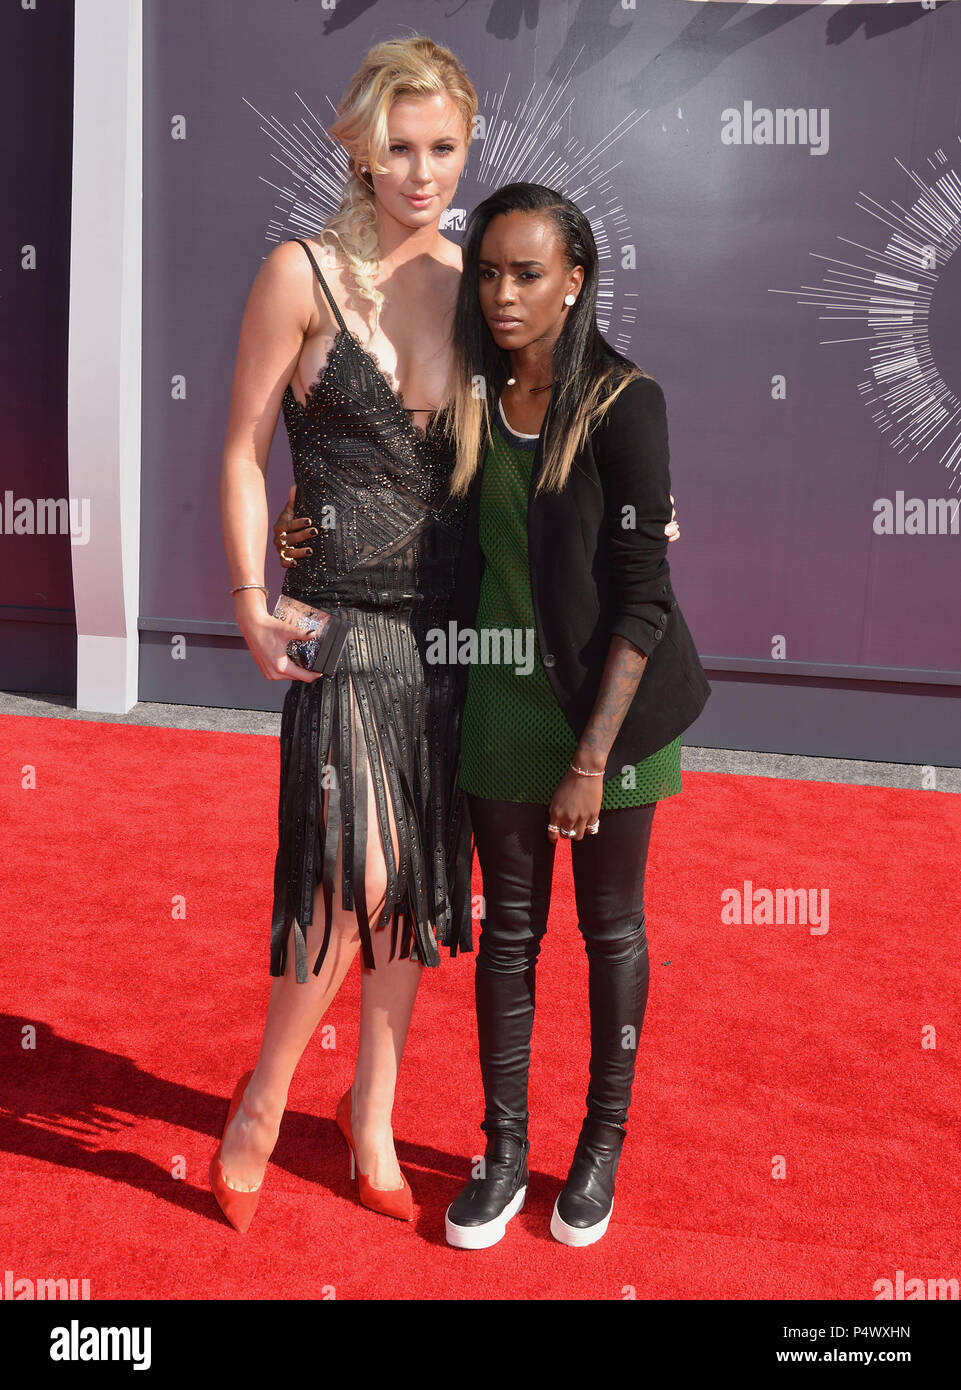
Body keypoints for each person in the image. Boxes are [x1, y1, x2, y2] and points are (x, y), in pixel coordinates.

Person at [213, 35, 480, 1233]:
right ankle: (266, 1096)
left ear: (465, 151)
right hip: (340, 618)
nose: (419, 171)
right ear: (360, 146)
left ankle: (370, 1110)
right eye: (399, 147)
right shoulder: (302, 274)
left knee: (413, 883)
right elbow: (237, 450)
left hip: (449, 628)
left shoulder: (482, 287)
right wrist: (245, 596)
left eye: (443, 148)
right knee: (351, 871)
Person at [434, 182, 712, 1248]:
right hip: (500, 708)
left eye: (528, 273)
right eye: (489, 271)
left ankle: (597, 1148)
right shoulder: (467, 394)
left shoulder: (622, 401)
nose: (503, 293)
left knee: (611, 930)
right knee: (508, 935)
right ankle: (503, 1151)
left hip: (616, 714)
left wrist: (591, 759)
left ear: (575, 281)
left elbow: (643, 595)